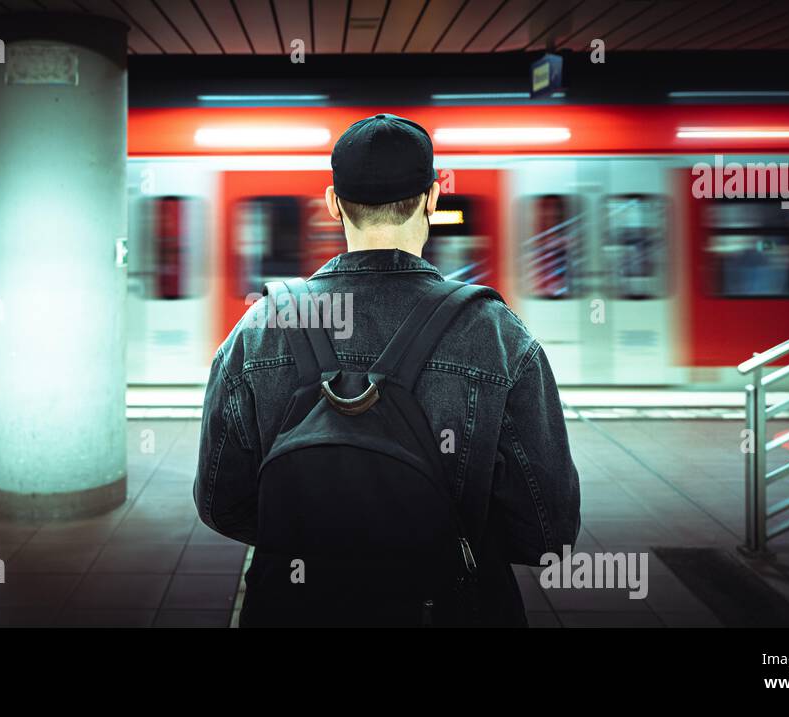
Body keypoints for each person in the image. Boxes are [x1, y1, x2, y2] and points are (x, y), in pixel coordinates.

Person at [194, 114, 580, 627]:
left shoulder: (258, 328)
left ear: (333, 203)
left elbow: (221, 502)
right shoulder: (498, 337)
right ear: (433, 199)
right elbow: (547, 529)